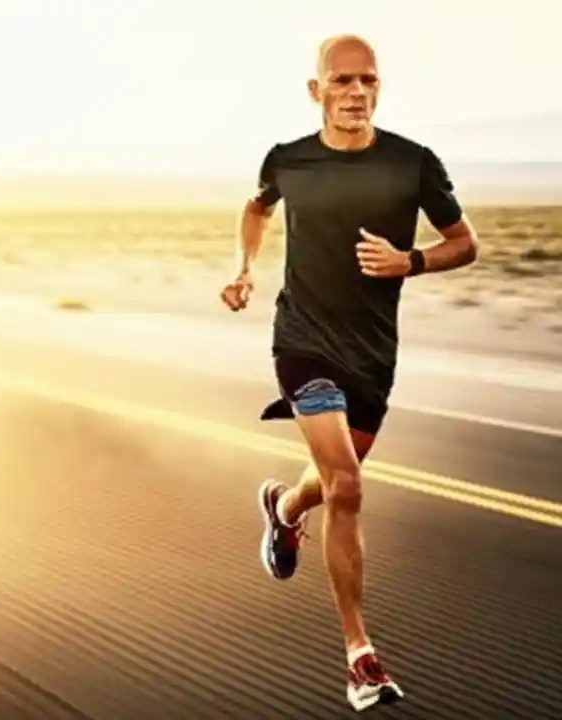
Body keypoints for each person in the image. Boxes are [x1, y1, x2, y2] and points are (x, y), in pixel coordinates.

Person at [220, 34, 480, 712]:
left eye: (368, 81)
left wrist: (412, 262)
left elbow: (466, 244)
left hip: (373, 355)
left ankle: (282, 507)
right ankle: (359, 657)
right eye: (341, 81)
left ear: (379, 88)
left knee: (333, 479)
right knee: (348, 483)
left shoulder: (413, 164)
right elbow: (257, 207)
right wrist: (246, 268)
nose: (356, 93)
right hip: (302, 340)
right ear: (317, 91)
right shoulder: (288, 160)